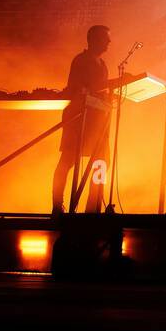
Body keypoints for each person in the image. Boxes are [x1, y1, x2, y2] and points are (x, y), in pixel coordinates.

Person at [51, 25, 113, 215]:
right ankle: (57, 205)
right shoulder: (81, 60)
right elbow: (76, 88)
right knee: (68, 160)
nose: (109, 42)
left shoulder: (102, 64)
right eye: (106, 38)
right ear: (94, 40)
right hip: (79, 118)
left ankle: (92, 207)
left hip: (98, 121)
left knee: (101, 162)